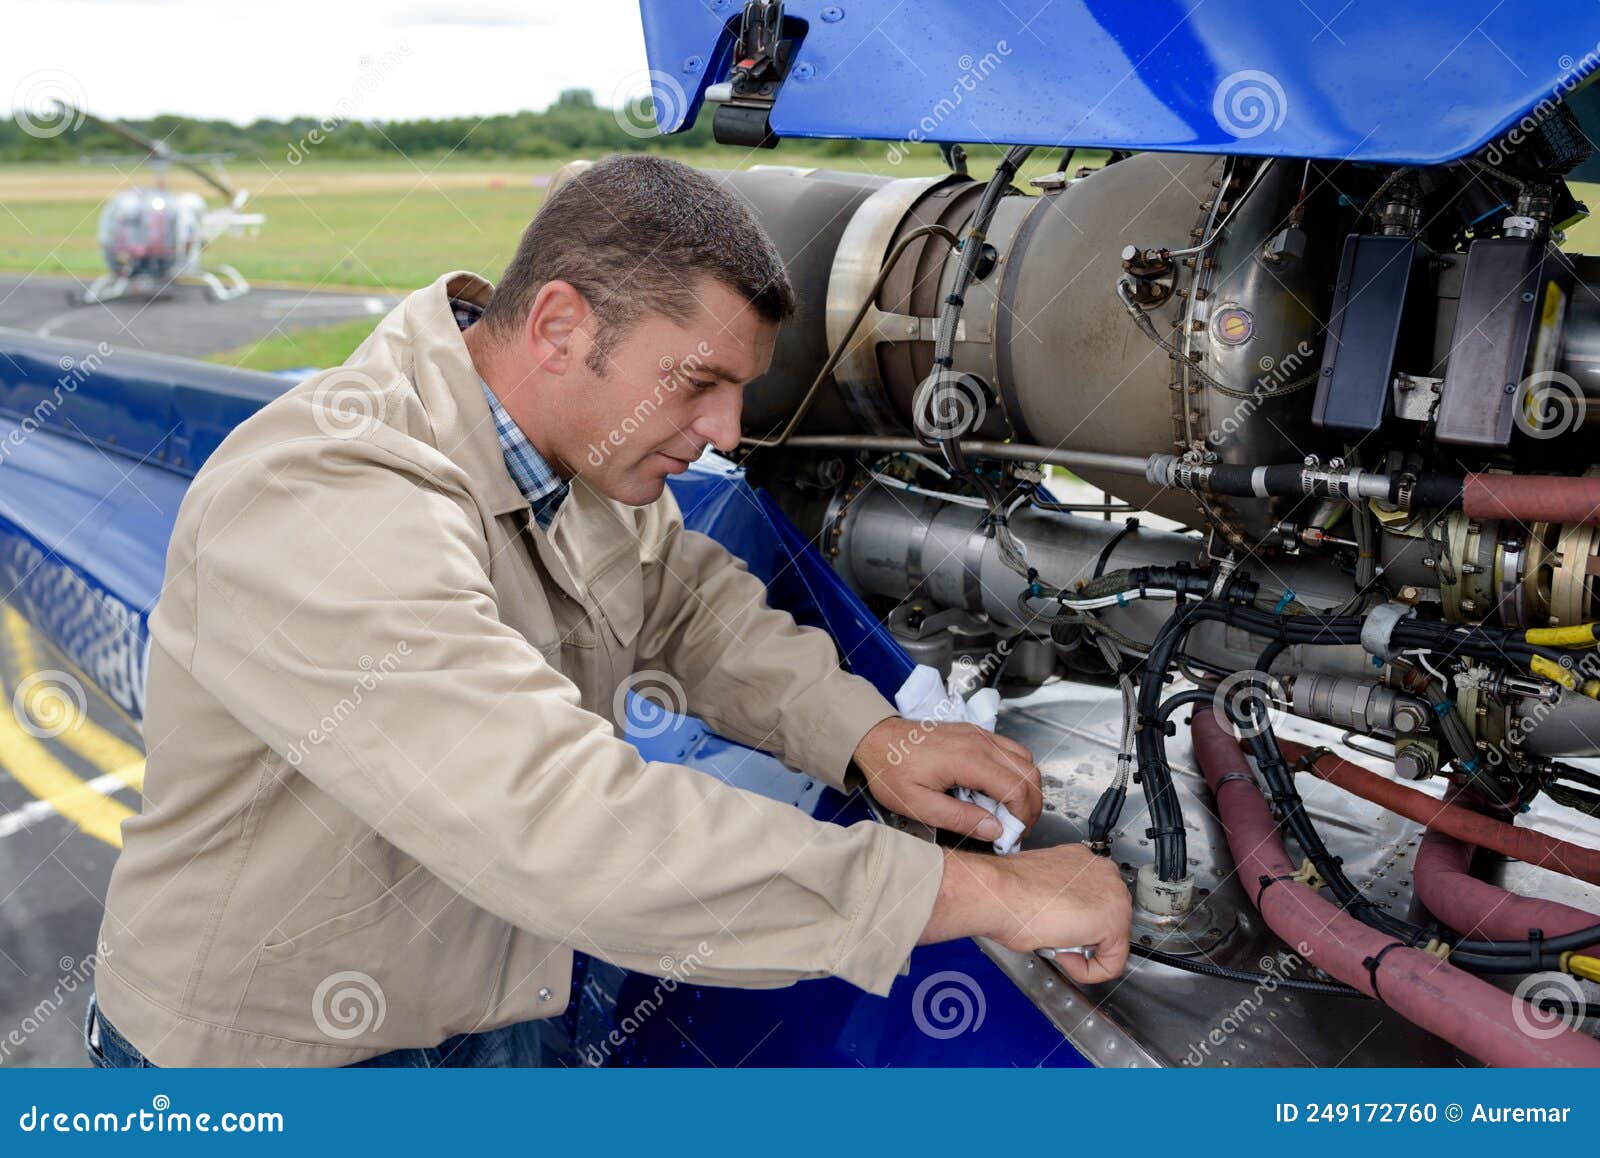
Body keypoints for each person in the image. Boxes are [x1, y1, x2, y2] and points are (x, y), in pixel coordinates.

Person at [88, 154, 1129, 1067]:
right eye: (697, 384)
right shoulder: (327, 495)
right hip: (285, 1067)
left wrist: (870, 737)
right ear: (557, 326)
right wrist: (985, 897)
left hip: (489, 1004)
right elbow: (561, 826)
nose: (723, 433)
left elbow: (685, 608)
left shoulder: (576, 445)